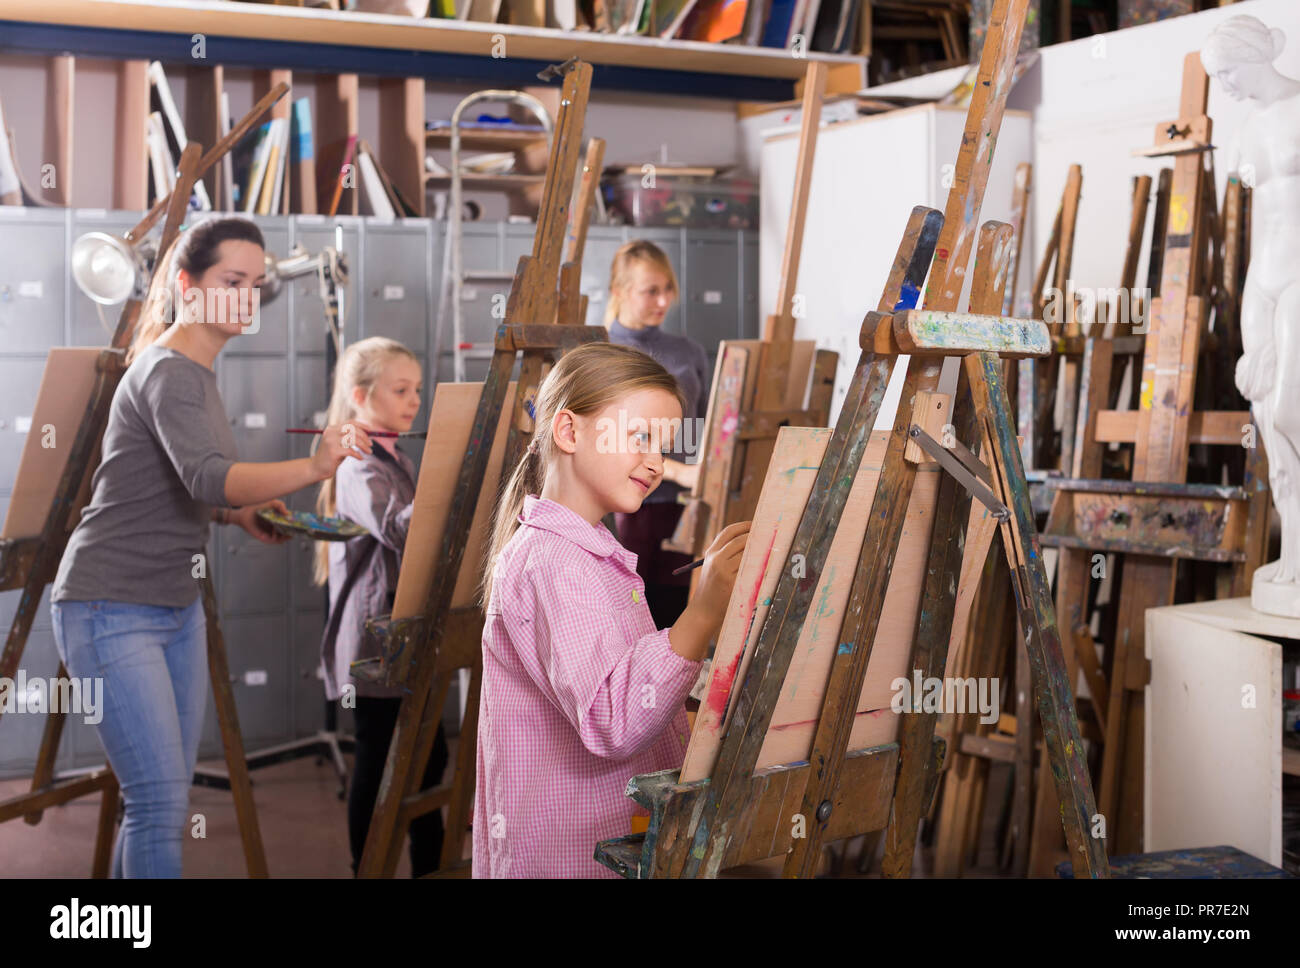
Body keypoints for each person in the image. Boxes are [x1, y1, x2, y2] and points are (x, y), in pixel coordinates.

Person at [50, 215, 370, 878]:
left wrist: (236, 515)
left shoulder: (195, 370)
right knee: (160, 805)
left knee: (155, 802)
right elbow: (207, 476)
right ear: (187, 283)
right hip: (109, 606)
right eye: (231, 280)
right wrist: (314, 467)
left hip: (173, 606)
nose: (246, 297)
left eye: (256, 284)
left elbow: (182, 486)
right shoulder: (170, 371)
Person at [473, 341, 749, 877]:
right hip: (567, 853)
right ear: (569, 431)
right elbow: (613, 720)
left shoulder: (586, 552)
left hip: (605, 837)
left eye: (665, 447)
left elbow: (620, 678)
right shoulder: (553, 562)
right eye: (641, 437)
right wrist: (702, 613)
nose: (657, 462)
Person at [313, 335, 448, 876]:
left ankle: (428, 866)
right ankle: (366, 866)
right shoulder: (356, 466)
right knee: (379, 757)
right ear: (360, 396)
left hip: (405, 634)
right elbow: (401, 531)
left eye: (416, 389)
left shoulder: (398, 456)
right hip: (375, 641)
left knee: (427, 757)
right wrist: (449, 483)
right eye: (400, 390)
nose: (414, 400)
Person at [1203, 14, 1300, 604]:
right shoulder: (1245, 130)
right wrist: (1248, 298)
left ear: (1254, 56)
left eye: (1228, 71)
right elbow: (1257, 218)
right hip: (1262, 282)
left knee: (1292, 412)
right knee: (1268, 423)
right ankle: (1296, 551)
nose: (1225, 85)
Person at [604, 240, 713, 629]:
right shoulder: (603, 351)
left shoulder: (690, 352)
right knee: (627, 617)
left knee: (675, 618)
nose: (664, 300)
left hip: (687, 505)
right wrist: (675, 469)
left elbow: (707, 426)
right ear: (620, 292)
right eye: (651, 290)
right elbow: (610, 438)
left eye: (668, 289)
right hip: (628, 507)